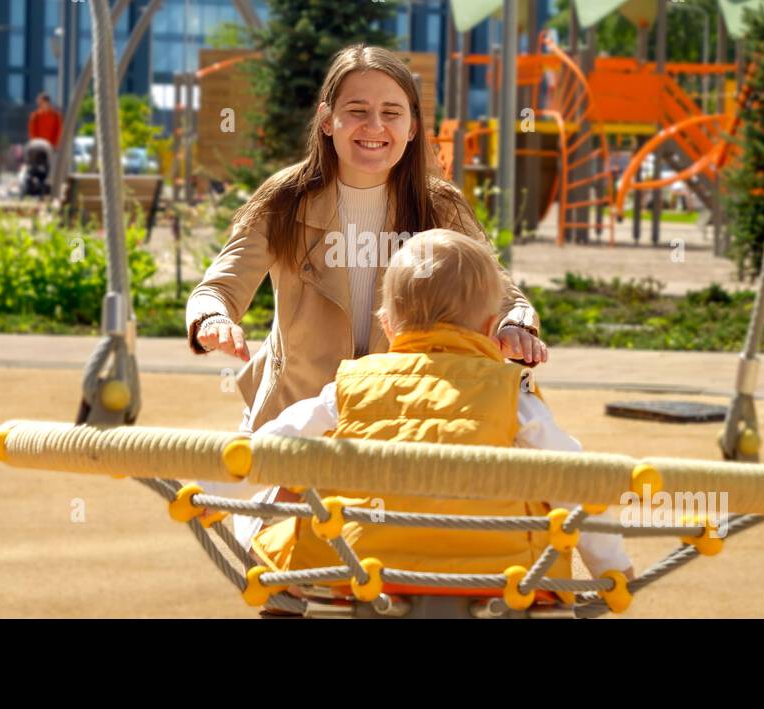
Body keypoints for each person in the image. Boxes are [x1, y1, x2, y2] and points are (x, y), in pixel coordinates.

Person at [208, 228, 633, 597]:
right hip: (500, 572)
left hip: (360, 565)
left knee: (293, 490)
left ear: (387, 326)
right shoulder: (512, 396)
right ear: (490, 329)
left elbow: (276, 440)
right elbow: (576, 480)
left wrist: (215, 497)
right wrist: (612, 568)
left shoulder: (352, 386)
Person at [186, 44, 548, 437]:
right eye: (357, 111)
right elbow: (219, 286)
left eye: (391, 113)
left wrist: (516, 324)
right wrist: (212, 318)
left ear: (411, 127)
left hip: (397, 419)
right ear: (327, 120)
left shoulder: (440, 206)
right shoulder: (285, 198)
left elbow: (497, 288)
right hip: (291, 419)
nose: (374, 126)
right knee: (243, 496)